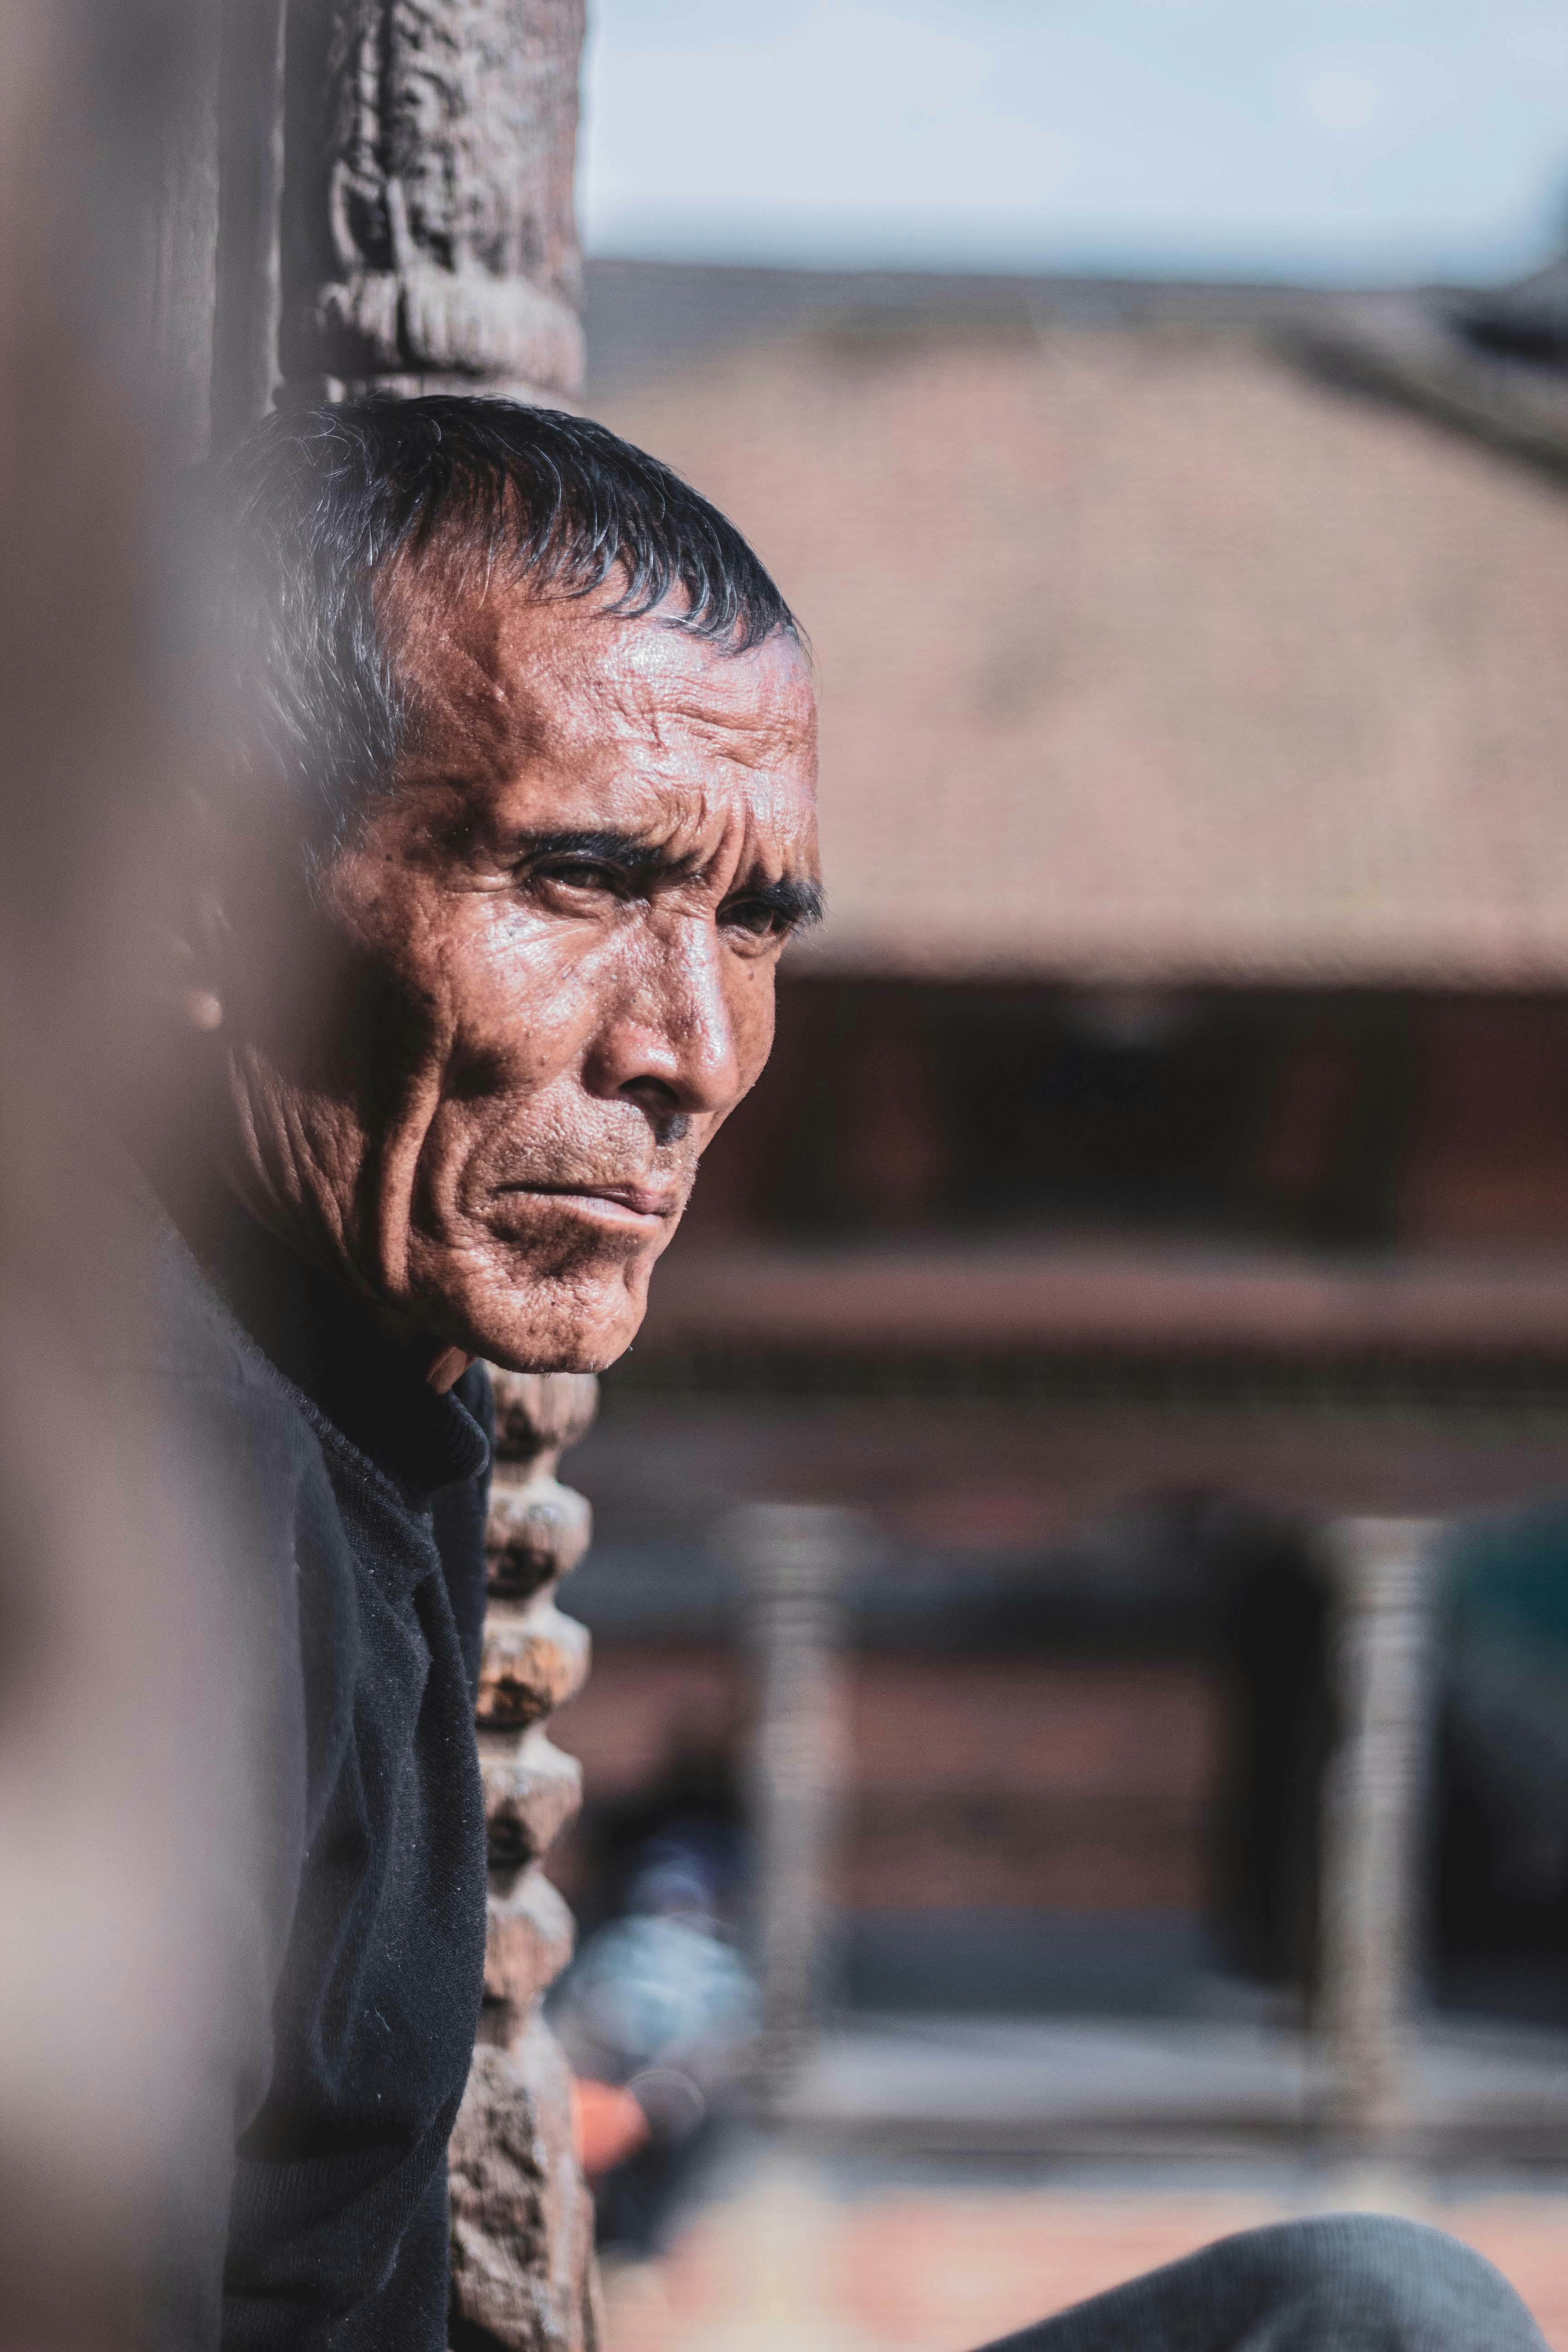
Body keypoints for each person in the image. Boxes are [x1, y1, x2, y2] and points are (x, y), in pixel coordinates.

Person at [118, 397, 1542, 2349]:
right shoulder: (131, 1516)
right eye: (578, 882)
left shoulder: (368, 1386)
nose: (688, 1050)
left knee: (1363, 2311)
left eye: (754, 926)